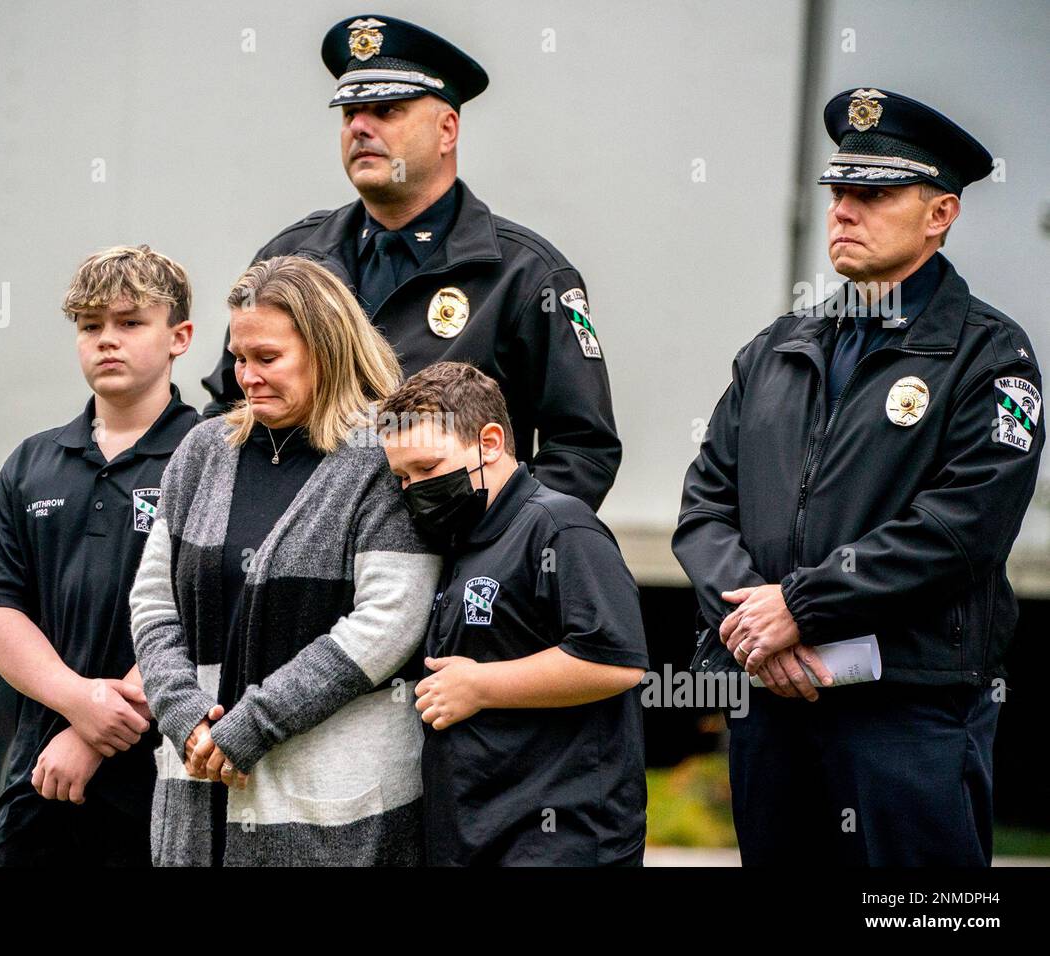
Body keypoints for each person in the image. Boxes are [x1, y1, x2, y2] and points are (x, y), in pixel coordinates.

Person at [673, 88, 1044, 866]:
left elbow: (960, 531)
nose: (844, 210)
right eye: (840, 191)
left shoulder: (989, 356)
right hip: (773, 699)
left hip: (906, 708)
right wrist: (756, 629)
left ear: (940, 213)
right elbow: (704, 507)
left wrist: (799, 608)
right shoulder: (777, 348)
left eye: (873, 194)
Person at [200, 14, 622, 511]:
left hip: (450, 569)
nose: (359, 126)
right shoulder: (290, 258)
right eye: (349, 113)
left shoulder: (524, 274)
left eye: (386, 110)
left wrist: (502, 546)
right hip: (295, 569)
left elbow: (582, 449)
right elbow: (226, 411)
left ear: (447, 130)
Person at [129, 254, 441, 866]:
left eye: (267, 358)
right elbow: (153, 601)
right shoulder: (203, 450)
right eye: (239, 359)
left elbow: (389, 621)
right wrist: (183, 712)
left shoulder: (383, 452)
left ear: (326, 348)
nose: (246, 376)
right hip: (198, 784)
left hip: (338, 808)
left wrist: (253, 724)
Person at [0, 245, 200, 865]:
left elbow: (206, 615)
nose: (107, 340)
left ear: (179, 336)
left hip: (170, 783)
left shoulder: (210, 457)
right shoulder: (31, 464)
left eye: (130, 323)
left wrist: (96, 736)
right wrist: (77, 703)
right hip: (42, 779)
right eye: (90, 325)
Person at [379, 361, 649, 865]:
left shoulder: (560, 526)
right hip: (475, 832)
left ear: (491, 442)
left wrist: (480, 686)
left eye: (428, 468)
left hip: (559, 837)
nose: (414, 490)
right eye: (402, 477)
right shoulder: (459, 538)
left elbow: (616, 662)